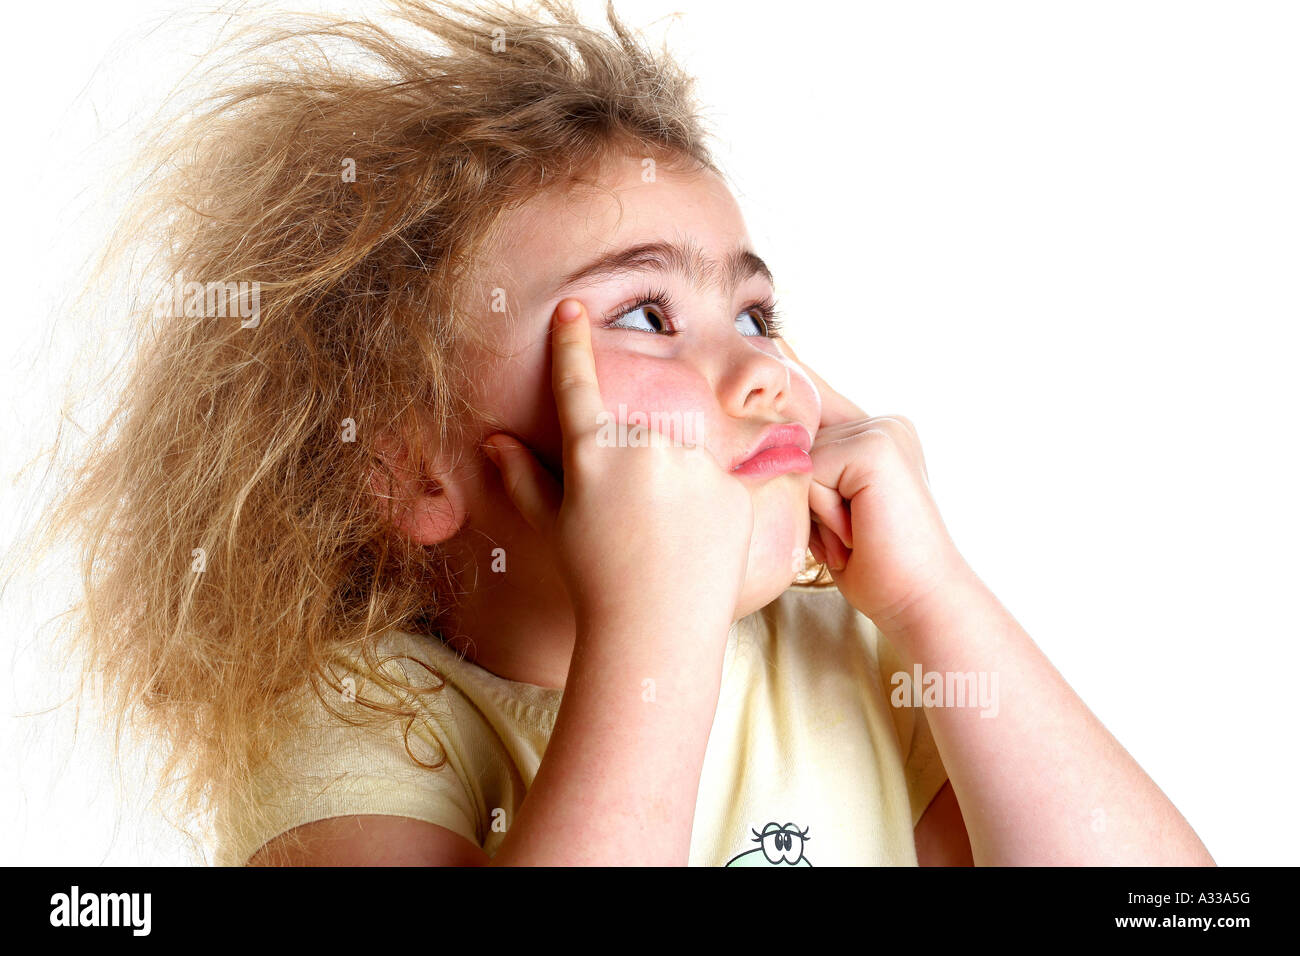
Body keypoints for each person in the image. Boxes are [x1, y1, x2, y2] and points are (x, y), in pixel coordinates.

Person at [46, 0, 1214, 866]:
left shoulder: (843, 661)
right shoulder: (360, 730)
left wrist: (938, 599)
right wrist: (656, 626)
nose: (761, 367)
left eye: (755, 311)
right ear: (409, 462)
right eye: (648, 314)